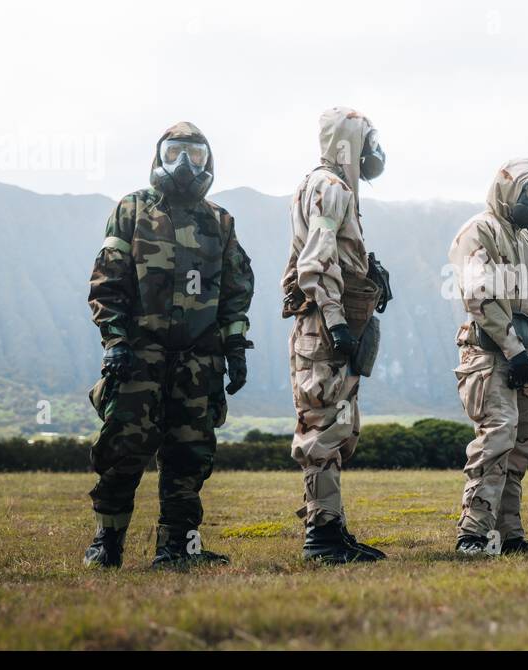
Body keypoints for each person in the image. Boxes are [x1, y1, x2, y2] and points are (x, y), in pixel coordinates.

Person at [85, 122, 254, 569]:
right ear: (158, 157)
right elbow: (107, 280)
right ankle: (107, 542)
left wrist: (235, 348)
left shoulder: (219, 221)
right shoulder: (132, 209)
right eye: (175, 151)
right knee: (122, 448)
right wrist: (115, 340)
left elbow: (236, 290)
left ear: (208, 161)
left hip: (199, 360)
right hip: (139, 356)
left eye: (195, 154)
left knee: (190, 455)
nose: (184, 163)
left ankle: (178, 547)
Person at [280, 107, 390, 563]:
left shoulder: (325, 186)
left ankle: (331, 525)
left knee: (340, 425)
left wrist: (367, 273)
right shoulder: (331, 187)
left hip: (329, 323)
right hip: (326, 326)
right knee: (324, 427)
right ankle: (321, 538)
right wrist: (335, 319)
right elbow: (315, 259)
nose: (375, 152)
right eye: (368, 140)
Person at [448, 158, 528, 557]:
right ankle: (473, 533)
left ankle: (508, 535)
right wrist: (513, 349)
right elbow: (479, 295)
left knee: (521, 444)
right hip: (489, 353)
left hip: (525, 355)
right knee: (496, 437)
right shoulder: (480, 231)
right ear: (508, 192)